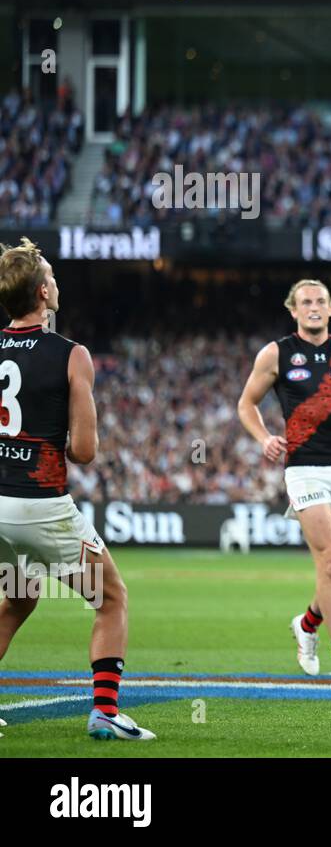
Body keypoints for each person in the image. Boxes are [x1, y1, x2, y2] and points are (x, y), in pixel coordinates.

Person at [0, 237, 154, 740]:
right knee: (111, 598)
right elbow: (84, 451)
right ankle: (106, 711)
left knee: (19, 598)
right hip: (41, 505)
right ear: (43, 292)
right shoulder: (72, 354)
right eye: (53, 276)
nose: (57, 282)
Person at [237, 279, 331, 682]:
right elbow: (246, 403)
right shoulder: (277, 353)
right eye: (306, 302)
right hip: (303, 467)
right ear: (294, 310)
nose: (314, 307)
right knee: (330, 559)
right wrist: (265, 437)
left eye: (321, 300)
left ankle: (306, 624)